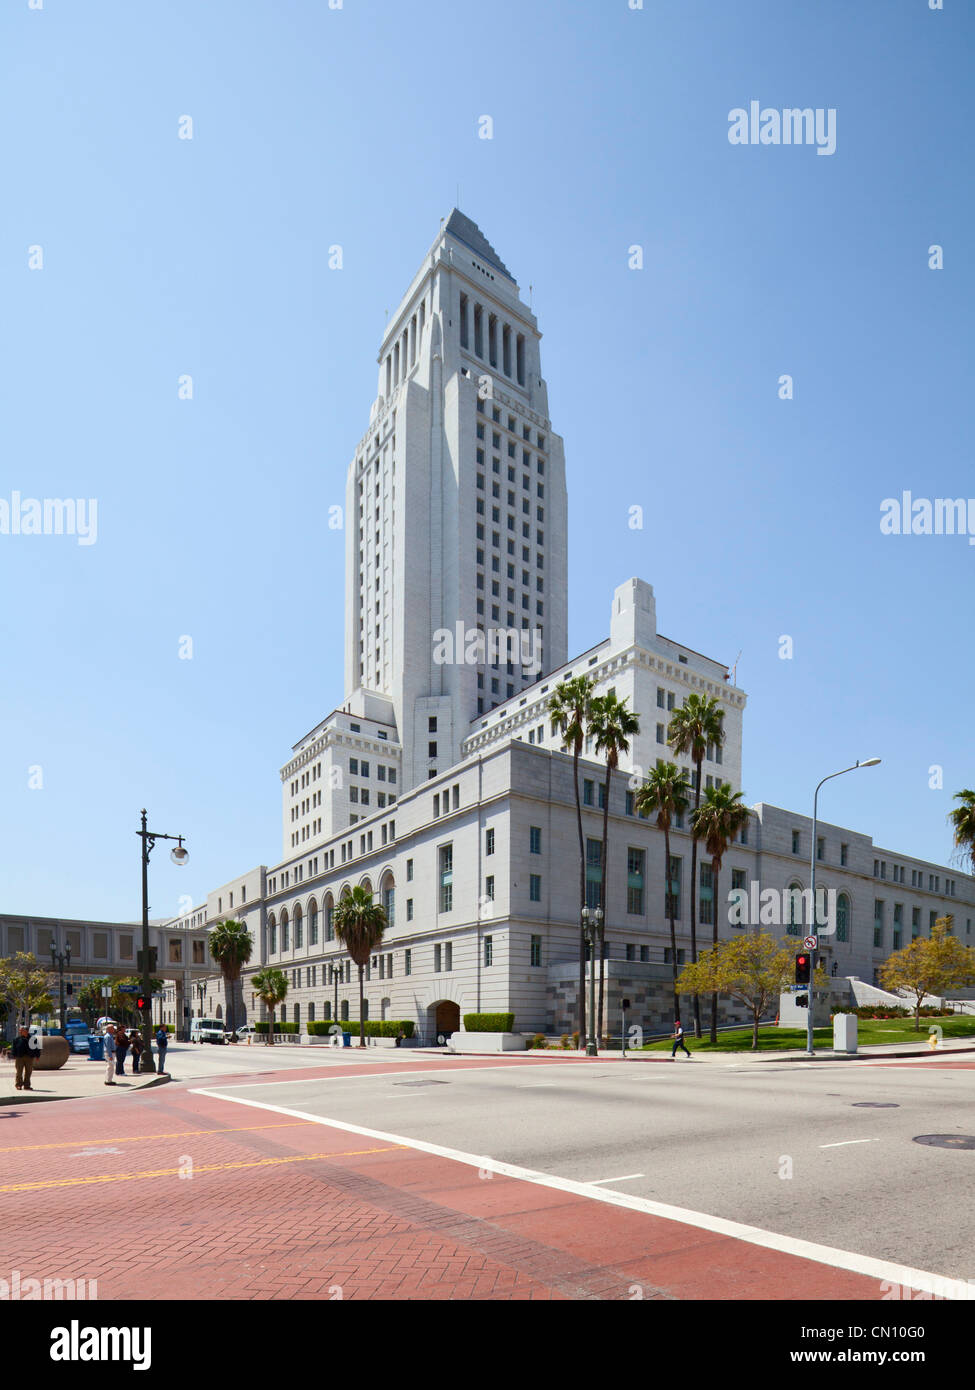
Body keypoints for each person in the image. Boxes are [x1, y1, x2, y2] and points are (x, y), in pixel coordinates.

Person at [12, 1025, 36, 1091]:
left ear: (26, 1031)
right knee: (19, 1072)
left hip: (29, 1058)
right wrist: (14, 1055)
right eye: (20, 1030)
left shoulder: (32, 1039)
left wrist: (37, 1056)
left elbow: (36, 1048)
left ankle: (27, 1085)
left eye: (21, 1030)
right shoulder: (16, 1039)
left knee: (28, 1072)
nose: (20, 1031)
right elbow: (13, 1048)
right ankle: (18, 1085)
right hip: (19, 1058)